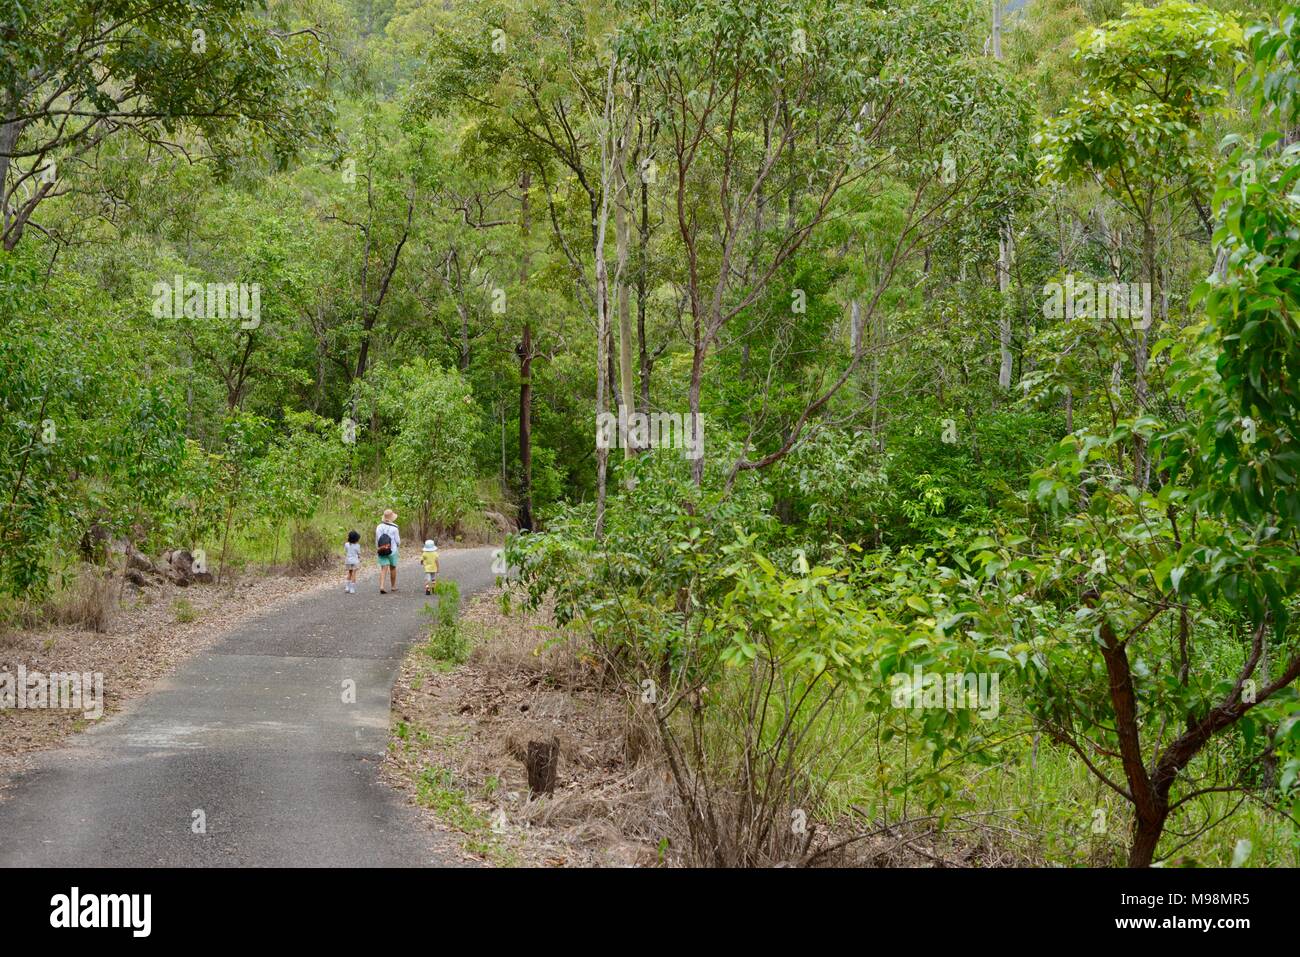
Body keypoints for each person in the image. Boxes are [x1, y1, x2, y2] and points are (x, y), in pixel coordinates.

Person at [375, 509, 401, 594]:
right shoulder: (395, 528)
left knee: (383, 568)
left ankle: (382, 586)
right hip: (392, 550)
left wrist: (378, 548)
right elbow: (397, 541)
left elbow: (377, 539)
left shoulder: (379, 527)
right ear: (392, 517)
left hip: (382, 550)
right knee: (393, 567)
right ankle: (393, 586)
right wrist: (397, 546)